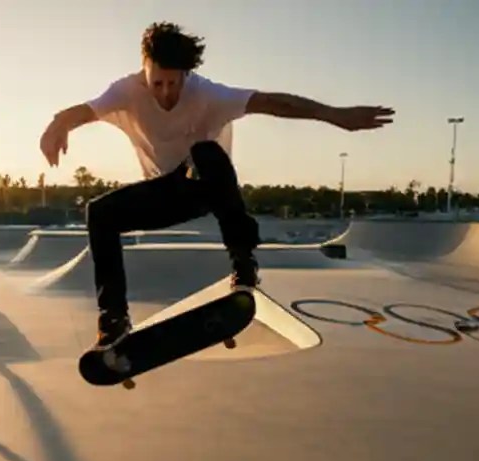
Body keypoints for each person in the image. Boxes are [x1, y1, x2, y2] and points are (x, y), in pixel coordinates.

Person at [39, 21, 394, 349]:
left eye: (173, 83)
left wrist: (334, 114)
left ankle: (243, 264)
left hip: (207, 188)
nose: (165, 93)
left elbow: (271, 103)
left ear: (187, 75)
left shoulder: (208, 94)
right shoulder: (125, 91)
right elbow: (84, 111)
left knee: (206, 152)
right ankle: (113, 320)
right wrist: (59, 124)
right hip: (162, 194)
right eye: (156, 83)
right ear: (143, 70)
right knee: (99, 212)